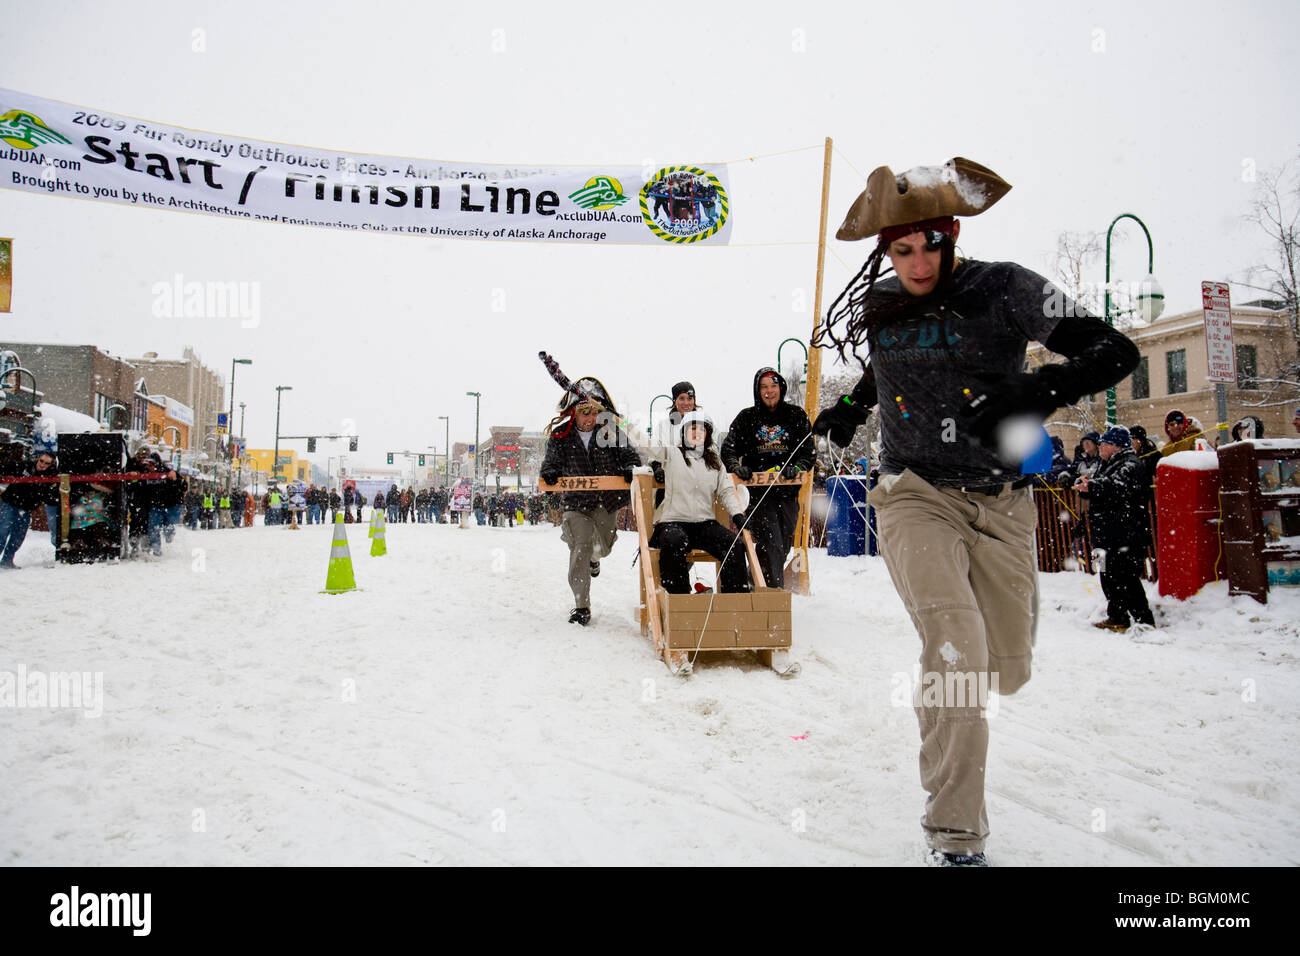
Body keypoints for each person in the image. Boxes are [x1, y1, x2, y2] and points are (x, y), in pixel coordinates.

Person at [810, 157, 1139, 866]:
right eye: (901, 250)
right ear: (884, 252)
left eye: (931, 244)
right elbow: (885, 368)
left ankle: (950, 697)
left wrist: (1042, 389)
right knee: (955, 651)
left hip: (1002, 500)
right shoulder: (880, 304)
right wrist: (847, 409)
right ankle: (957, 838)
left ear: (953, 235)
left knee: (1005, 667)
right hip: (913, 495)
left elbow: (1117, 349)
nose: (918, 261)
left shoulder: (1006, 287)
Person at [538, 376, 641, 625]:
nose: (590, 418)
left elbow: (631, 455)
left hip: (607, 501)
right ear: (575, 413)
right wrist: (550, 474)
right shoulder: (561, 436)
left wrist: (630, 466)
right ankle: (581, 605)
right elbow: (550, 463)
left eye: (594, 412)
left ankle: (596, 558)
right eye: (585, 413)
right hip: (576, 503)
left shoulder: (611, 432)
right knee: (581, 546)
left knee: (602, 547)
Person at [720, 367, 814, 589]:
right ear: (757, 390)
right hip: (758, 495)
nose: (769, 391)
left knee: (783, 542)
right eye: (764, 387)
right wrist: (735, 467)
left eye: (773, 386)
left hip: (787, 492)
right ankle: (772, 595)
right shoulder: (747, 418)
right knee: (769, 541)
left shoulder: (796, 416)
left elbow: (808, 451)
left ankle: (758, 581)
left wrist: (798, 467)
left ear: (781, 388)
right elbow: (729, 448)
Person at [647, 410, 750, 594]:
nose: (697, 433)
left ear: (708, 435)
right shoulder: (672, 454)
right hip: (673, 522)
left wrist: (736, 514)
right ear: (684, 432)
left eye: (702, 429)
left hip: (704, 524)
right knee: (674, 542)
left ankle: (733, 605)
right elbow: (645, 444)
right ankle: (679, 602)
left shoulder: (714, 461)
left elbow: (726, 490)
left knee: (735, 545)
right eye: (692, 428)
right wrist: (620, 426)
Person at [1075, 426, 1156, 631]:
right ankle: (1117, 616)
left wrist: (1092, 486)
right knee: (1108, 576)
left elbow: (1116, 487)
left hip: (1125, 533)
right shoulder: (1108, 464)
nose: (1100, 447)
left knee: (1126, 578)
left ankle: (1144, 620)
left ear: (1115, 446)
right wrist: (1085, 486)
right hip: (1108, 533)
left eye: (1103, 444)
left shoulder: (1130, 464)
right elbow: (1100, 486)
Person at [0, 449, 59, 568]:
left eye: (46, 463)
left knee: (18, 536)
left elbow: (51, 499)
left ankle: (7, 561)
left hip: (26, 509)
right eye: (41, 460)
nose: (42, 464)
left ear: (51, 465)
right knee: (2, 532)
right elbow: (5, 468)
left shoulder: (51, 478)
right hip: (9, 504)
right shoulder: (25, 466)